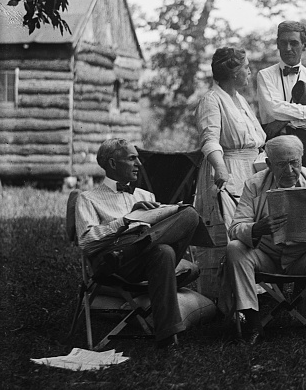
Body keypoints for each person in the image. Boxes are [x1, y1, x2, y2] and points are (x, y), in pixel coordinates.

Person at [74, 138, 207, 350]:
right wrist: (127, 220)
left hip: (141, 260)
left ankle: (165, 337)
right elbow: (86, 242)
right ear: (112, 163)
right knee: (163, 251)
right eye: (132, 158)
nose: (140, 164)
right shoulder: (88, 198)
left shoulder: (146, 196)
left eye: (138, 158)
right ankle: (168, 336)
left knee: (186, 218)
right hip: (113, 265)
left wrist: (166, 212)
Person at [224, 135, 306, 345]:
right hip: (267, 256)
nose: (290, 170)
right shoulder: (254, 184)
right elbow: (235, 228)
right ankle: (253, 325)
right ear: (268, 164)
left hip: (304, 258)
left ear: (302, 159)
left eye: (295, 163)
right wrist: (257, 228)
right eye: (282, 164)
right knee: (235, 248)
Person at [192, 47, 267, 306]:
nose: (249, 72)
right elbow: (209, 139)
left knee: (253, 230)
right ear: (234, 73)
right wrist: (220, 168)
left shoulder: (240, 99)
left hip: (251, 172)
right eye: (246, 67)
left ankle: (254, 293)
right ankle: (226, 300)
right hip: (228, 170)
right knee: (229, 233)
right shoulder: (212, 100)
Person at [256, 20, 306, 194]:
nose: (287, 48)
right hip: (275, 148)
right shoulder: (265, 76)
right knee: (275, 199)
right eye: (283, 43)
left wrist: (284, 122)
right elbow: (273, 108)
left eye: (293, 43)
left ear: (304, 45)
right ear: (277, 44)